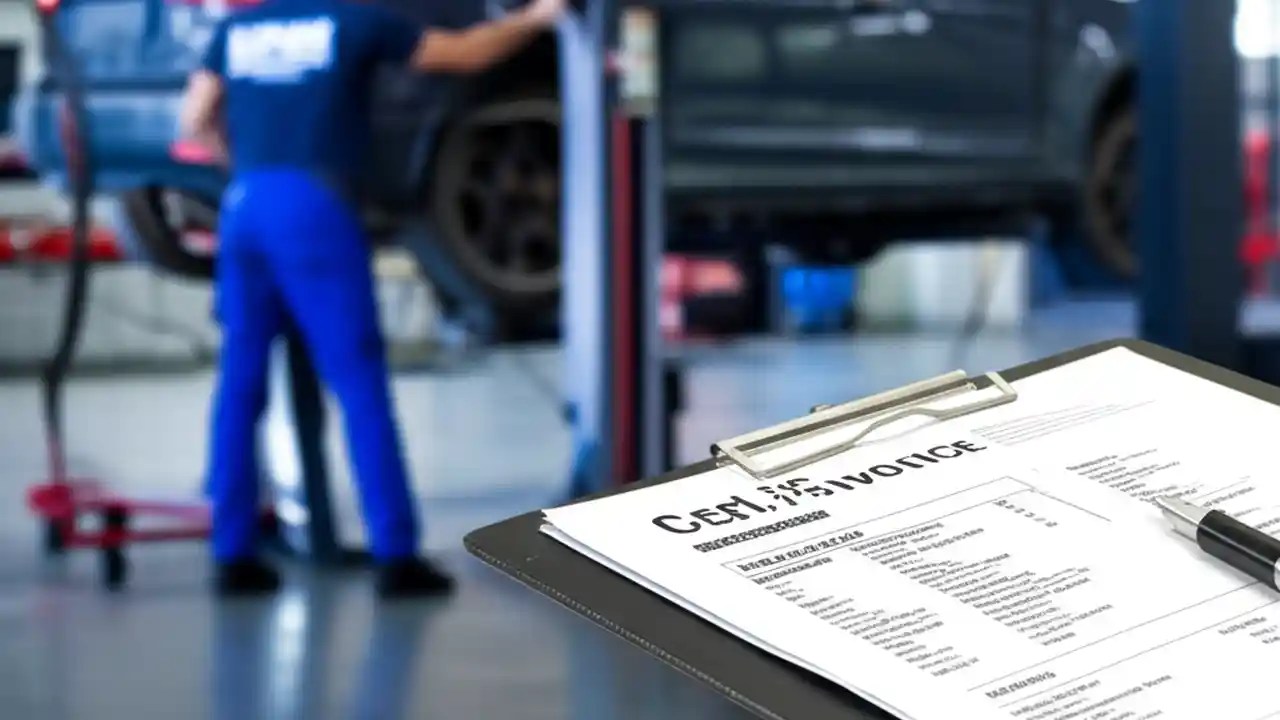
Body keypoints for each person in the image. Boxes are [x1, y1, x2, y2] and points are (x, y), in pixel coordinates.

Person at [180, 0, 567, 597]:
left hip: (246, 205)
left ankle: (232, 555)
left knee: (239, 386)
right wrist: (537, 19)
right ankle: (396, 557)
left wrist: (250, 170)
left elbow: (198, 117)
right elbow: (464, 55)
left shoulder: (238, 30)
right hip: (315, 207)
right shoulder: (351, 21)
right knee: (359, 385)